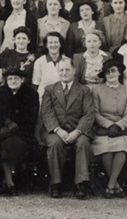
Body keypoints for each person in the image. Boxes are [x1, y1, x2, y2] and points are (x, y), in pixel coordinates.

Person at [40, 57, 95, 199]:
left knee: (83, 143)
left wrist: (77, 131)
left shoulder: (84, 90)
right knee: (54, 143)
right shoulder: (50, 89)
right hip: (56, 130)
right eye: (61, 70)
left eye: (67, 69)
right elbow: (46, 112)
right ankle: (56, 184)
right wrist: (58, 130)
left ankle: (80, 184)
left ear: (74, 71)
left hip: (78, 129)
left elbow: (89, 114)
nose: (64, 73)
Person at [90, 58, 127, 198]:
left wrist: (118, 125)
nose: (111, 74)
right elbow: (95, 112)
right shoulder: (97, 89)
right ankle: (116, 185)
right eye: (108, 72)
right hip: (103, 129)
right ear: (104, 74)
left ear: (119, 73)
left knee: (121, 146)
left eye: (114, 71)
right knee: (106, 148)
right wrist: (109, 125)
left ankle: (110, 186)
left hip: (122, 129)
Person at [0, 67, 39, 196]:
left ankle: (7, 182)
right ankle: (9, 182)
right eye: (10, 79)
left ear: (22, 80)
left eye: (16, 78)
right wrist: (5, 124)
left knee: (10, 144)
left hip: (22, 133)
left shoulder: (31, 94)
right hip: (1, 132)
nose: (12, 81)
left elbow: (31, 118)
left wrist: (13, 127)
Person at [32, 32, 70, 101]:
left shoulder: (67, 61)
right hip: (44, 99)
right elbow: (35, 84)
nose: (53, 45)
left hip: (63, 99)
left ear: (60, 44)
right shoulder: (39, 62)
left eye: (56, 42)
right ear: (46, 45)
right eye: (50, 42)